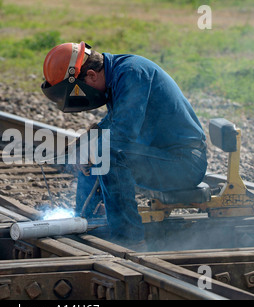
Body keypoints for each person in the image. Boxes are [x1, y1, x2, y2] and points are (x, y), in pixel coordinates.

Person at [41, 42, 207, 246]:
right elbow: (114, 124)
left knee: (105, 151)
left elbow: (123, 134)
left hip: (183, 165)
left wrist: (91, 151)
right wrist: (84, 143)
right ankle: (84, 221)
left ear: (92, 75)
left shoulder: (131, 73)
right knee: (96, 148)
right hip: (161, 158)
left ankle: (129, 240)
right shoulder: (118, 74)